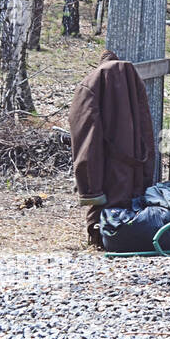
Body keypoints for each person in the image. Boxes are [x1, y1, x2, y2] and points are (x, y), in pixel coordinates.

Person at [68, 50, 155, 247]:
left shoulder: (90, 84)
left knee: (106, 203)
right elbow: (147, 135)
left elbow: (84, 135)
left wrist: (89, 188)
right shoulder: (135, 83)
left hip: (105, 166)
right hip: (134, 169)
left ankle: (101, 239)